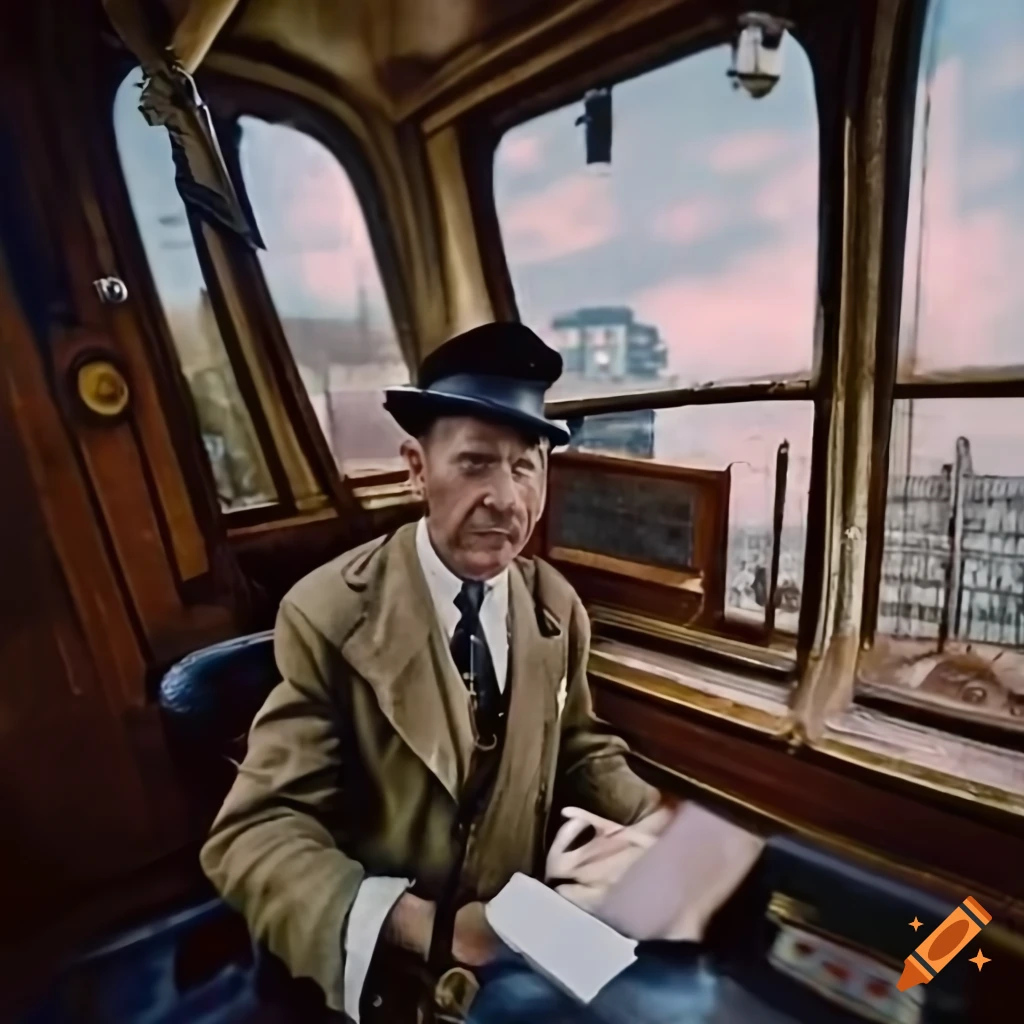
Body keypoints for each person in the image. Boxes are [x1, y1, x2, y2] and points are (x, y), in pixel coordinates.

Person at [200, 322, 669, 1024]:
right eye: (476, 463)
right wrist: (431, 929)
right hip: (399, 973)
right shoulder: (329, 613)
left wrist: (652, 830)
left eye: (525, 466)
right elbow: (253, 835)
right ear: (416, 467)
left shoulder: (555, 606)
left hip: (527, 941)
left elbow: (578, 745)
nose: (507, 500)